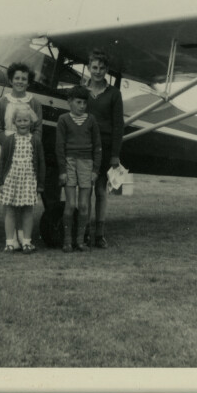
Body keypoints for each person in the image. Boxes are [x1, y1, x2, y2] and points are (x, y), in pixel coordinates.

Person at [0, 63, 45, 252]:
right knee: (9, 198)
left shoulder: (34, 102)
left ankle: (24, 235)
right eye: (17, 78)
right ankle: (11, 238)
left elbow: (38, 130)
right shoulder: (1, 102)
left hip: (27, 153)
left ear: (28, 82)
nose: (20, 82)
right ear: (11, 80)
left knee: (25, 200)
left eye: (24, 79)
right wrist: (10, 143)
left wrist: (28, 143)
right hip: (7, 150)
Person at [84, 48, 123, 249]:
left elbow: (118, 126)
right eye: (94, 67)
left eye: (101, 68)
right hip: (84, 147)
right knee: (84, 191)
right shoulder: (82, 91)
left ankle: (99, 234)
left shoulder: (114, 94)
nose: (97, 71)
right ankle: (83, 232)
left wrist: (115, 155)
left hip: (105, 148)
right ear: (89, 68)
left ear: (106, 70)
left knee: (100, 191)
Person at [56, 85, 102, 252]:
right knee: (70, 204)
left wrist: (95, 170)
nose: (82, 106)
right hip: (69, 162)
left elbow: (97, 146)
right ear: (69, 102)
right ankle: (67, 241)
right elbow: (59, 147)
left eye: (84, 103)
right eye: (78, 102)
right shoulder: (63, 119)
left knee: (83, 205)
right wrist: (62, 170)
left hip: (86, 163)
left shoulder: (91, 120)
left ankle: (80, 241)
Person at [0, 106, 45, 254]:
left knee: (27, 211)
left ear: (31, 122)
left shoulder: (35, 141)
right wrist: (1, 182)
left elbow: (41, 163)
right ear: (14, 122)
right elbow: (3, 162)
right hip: (12, 179)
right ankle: (10, 243)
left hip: (29, 180)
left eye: (26, 120)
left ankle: (26, 242)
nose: (23, 123)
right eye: (19, 120)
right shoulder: (9, 141)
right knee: (10, 211)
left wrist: (40, 185)